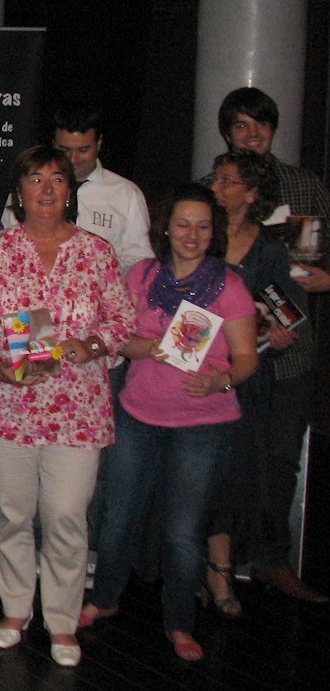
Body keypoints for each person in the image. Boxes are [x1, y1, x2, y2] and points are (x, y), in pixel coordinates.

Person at [0, 146, 133, 667]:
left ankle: (61, 620)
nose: (49, 189)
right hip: (7, 407)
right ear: (19, 193)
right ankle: (15, 609)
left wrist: (92, 346)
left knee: (64, 516)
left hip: (76, 409)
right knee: (11, 514)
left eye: (58, 179)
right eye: (36, 179)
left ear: (70, 190)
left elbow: (121, 321)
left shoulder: (96, 252)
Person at [77, 185, 258, 661]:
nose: (192, 235)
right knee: (118, 516)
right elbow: (118, 339)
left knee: (183, 529)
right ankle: (103, 599)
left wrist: (221, 380)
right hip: (138, 414)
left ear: (213, 232)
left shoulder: (230, 286)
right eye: (183, 224)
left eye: (202, 226)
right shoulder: (141, 276)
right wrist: (147, 347)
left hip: (203, 424)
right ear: (165, 229)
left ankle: (179, 622)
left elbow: (246, 360)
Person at [218, 87, 330, 602]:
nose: (252, 135)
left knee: (281, 459)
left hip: (293, 349)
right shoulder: (212, 189)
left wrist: (324, 279)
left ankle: (269, 560)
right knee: (219, 458)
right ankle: (213, 563)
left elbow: (323, 258)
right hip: (223, 356)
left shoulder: (305, 188)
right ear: (226, 134)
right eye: (241, 126)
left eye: (260, 125)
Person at [206, 150, 310, 616]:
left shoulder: (269, 250)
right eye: (216, 179)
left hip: (248, 377)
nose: (216, 188)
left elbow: (280, 310)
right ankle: (200, 569)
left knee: (235, 475)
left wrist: (282, 332)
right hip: (196, 373)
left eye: (228, 181)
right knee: (197, 473)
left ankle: (222, 571)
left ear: (251, 194)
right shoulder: (198, 236)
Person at [0, 104, 154, 274]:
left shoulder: (126, 193)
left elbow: (141, 259)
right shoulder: (28, 190)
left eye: (83, 150)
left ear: (99, 143)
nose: (73, 159)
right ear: (53, 144)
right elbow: (7, 246)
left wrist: (98, 270)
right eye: (64, 150)